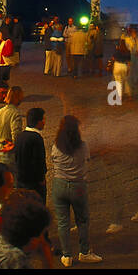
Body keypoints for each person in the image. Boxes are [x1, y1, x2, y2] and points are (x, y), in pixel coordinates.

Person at [51, 114, 101, 266]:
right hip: (78, 186)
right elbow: (87, 160)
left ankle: (67, 256)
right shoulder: (83, 146)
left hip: (59, 185)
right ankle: (84, 252)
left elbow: (53, 160)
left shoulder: (56, 146)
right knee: (83, 220)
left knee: (63, 222)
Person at [0, 189, 54, 269]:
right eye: (41, 234)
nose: (42, 241)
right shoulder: (14, 258)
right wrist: (46, 259)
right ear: (32, 238)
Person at [16, 108, 48, 203]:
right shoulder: (36, 138)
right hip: (34, 184)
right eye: (43, 119)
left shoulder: (20, 136)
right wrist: (41, 179)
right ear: (38, 122)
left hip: (21, 182)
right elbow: (38, 161)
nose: (44, 122)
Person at [0, 86, 25, 172]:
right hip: (8, 153)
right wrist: (14, 145)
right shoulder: (15, 113)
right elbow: (16, 133)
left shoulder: (1, 111)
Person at [112, 34, 132, 101]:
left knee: (118, 82)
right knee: (126, 81)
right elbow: (129, 62)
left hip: (117, 66)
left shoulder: (117, 50)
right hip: (124, 66)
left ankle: (120, 96)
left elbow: (113, 58)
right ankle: (129, 94)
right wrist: (128, 69)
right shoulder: (127, 51)